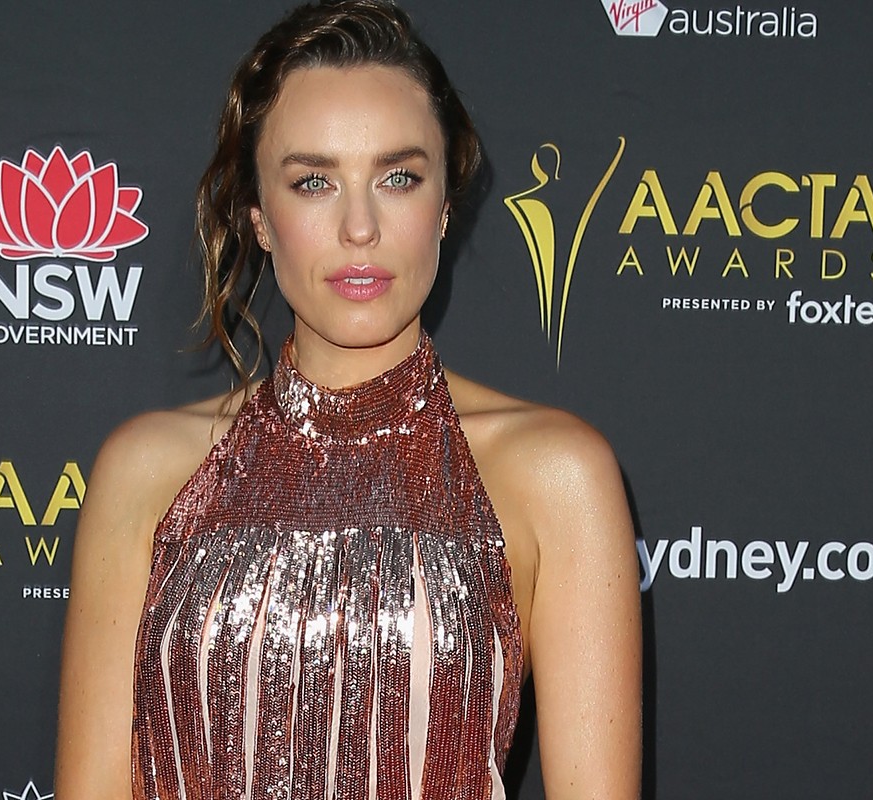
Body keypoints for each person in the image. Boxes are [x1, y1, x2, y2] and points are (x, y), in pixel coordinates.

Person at [55, 2, 641, 798]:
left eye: (398, 177)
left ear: (443, 206)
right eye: (314, 181)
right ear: (260, 216)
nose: (359, 226)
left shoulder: (556, 473)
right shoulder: (146, 470)